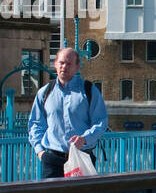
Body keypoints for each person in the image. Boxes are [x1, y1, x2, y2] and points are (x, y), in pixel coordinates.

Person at [27, 46, 108, 179]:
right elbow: (36, 124)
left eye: (69, 63)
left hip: (82, 157)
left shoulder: (89, 91)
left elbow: (101, 122)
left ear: (77, 67)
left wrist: (84, 139)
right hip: (52, 160)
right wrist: (40, 152)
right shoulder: (45, 92)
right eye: (61, 62)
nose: (64, 66)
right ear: (55, 64)